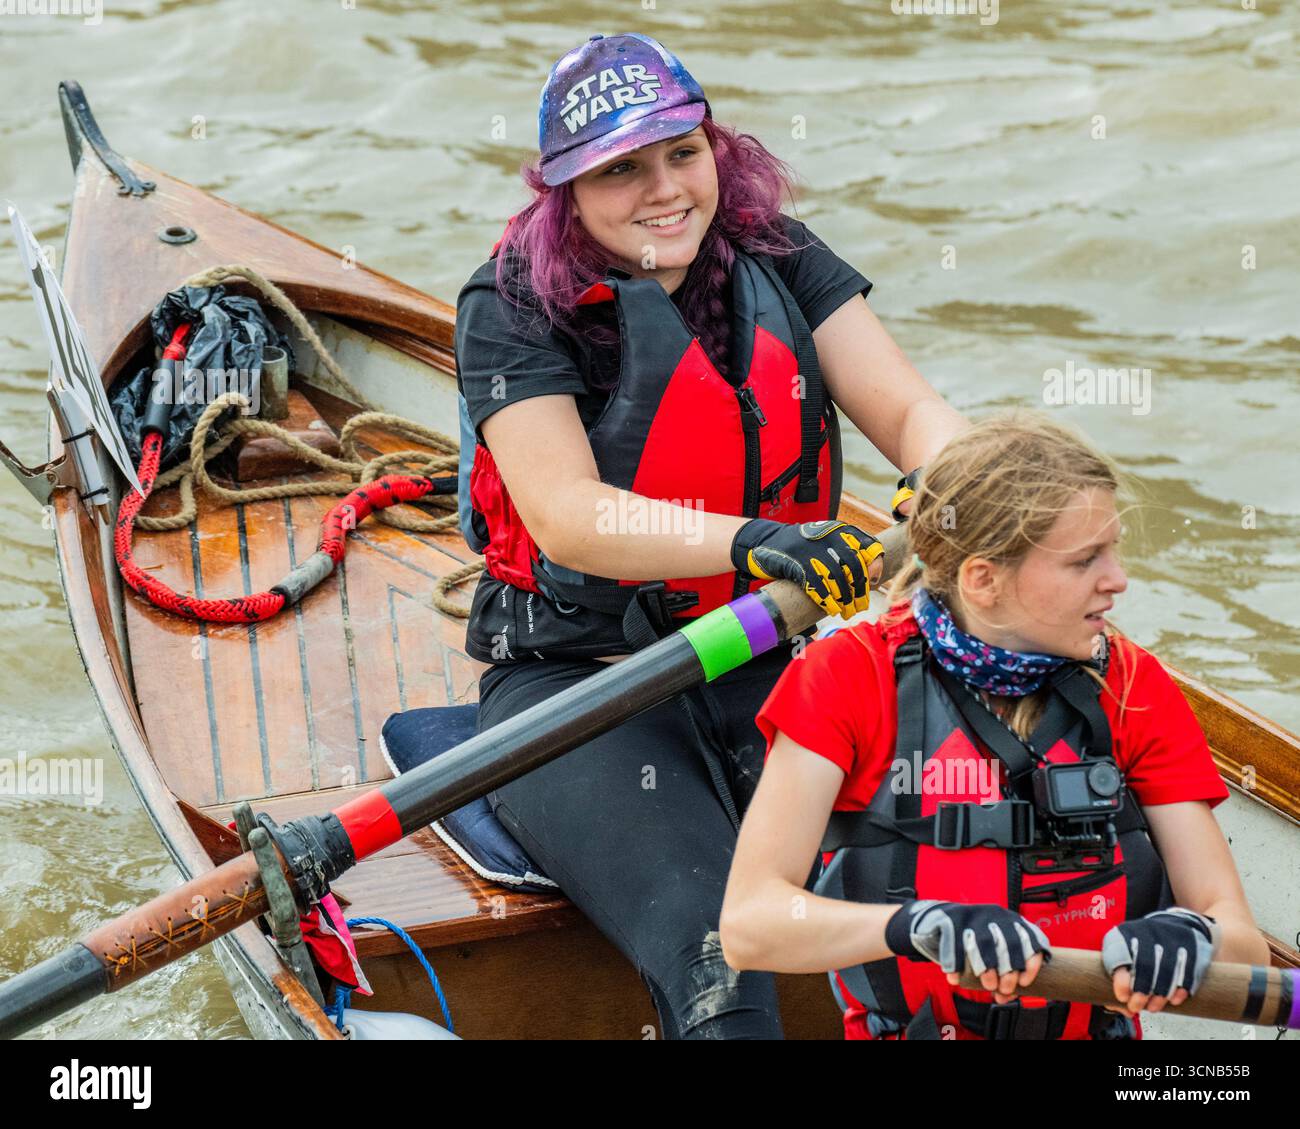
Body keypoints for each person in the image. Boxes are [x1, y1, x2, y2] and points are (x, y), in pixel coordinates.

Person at [453, 32, 967, 1039]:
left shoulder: (776, 252)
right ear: (564, 189)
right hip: (583, 685)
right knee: (717, 953)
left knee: (970, 862)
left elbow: (914, 414)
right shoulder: (511, 304)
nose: (664, 191)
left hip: (766, 655)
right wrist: (750, 543)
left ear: (714, 149)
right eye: (620, 170)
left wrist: (943, 479)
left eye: (681, 154)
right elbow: (568, 514)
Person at [719, 412, 1269, 1040]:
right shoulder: (849, 676)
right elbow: (750, 924)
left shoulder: (1133, 686)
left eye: (1113, 551)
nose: (1118, 581)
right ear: (983, 579)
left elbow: (1243, 945)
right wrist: (917, 927)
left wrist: (1196, 937)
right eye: (1085, 560)